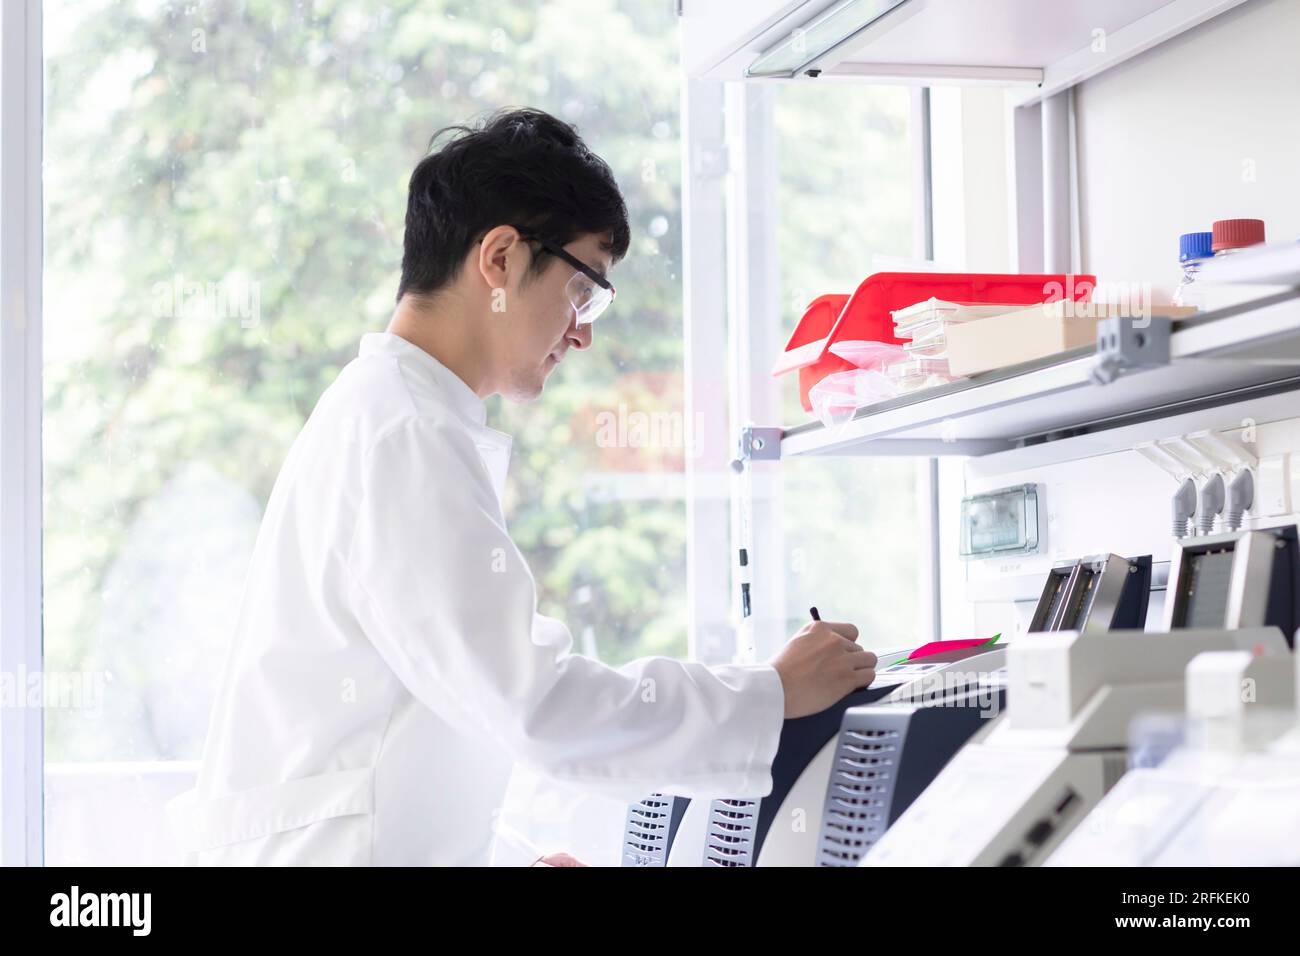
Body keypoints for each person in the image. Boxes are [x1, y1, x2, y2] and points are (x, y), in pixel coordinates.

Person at [167, 108, 875, 866]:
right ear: (501, 257)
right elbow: (536, 705)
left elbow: (414, 733)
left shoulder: (394, 414)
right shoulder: (404, 432)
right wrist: (768, 694)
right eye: (584, 289)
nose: (584, 331)